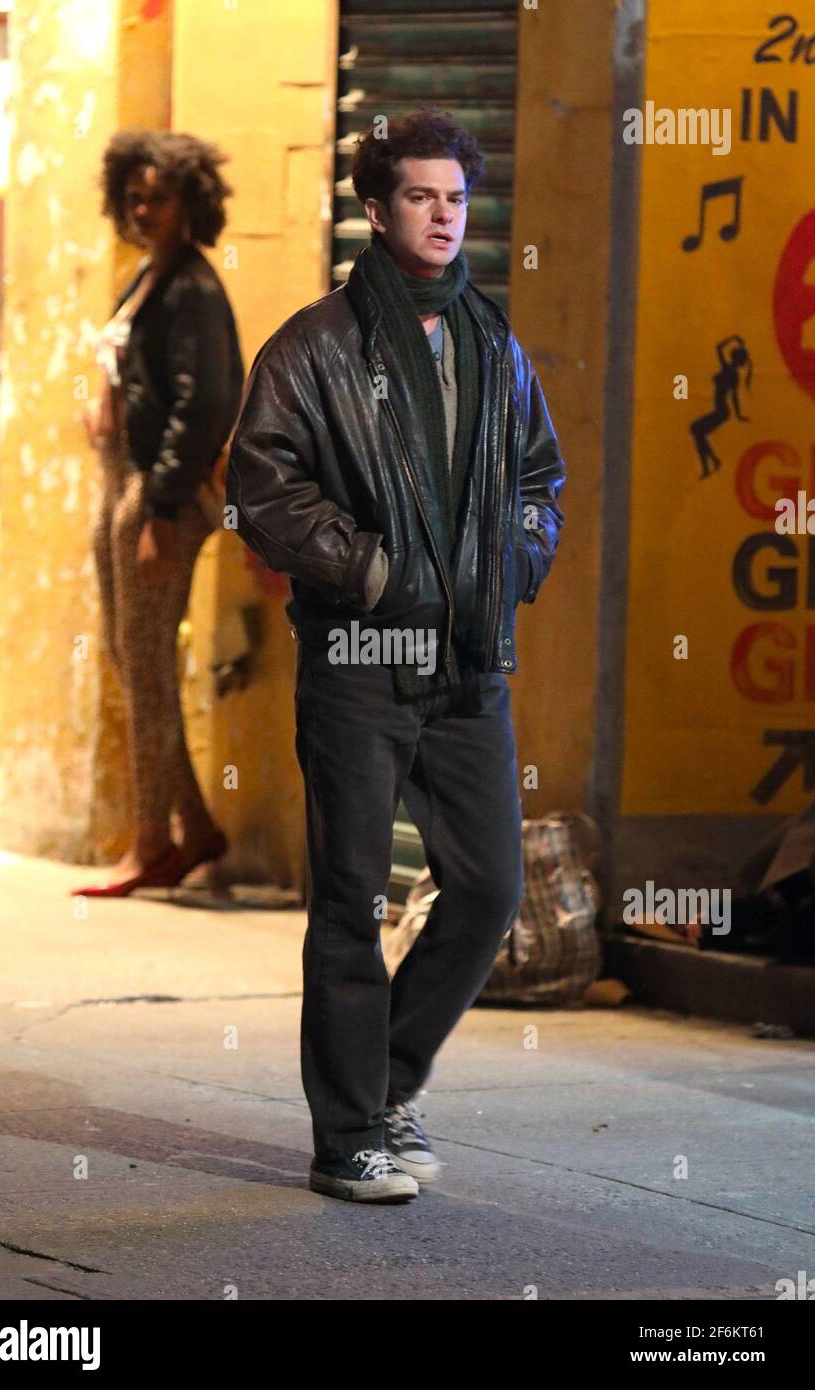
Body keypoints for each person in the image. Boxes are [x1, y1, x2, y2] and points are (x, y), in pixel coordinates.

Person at [228, 110, 566, 1202]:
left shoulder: (494, 345)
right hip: (361, 657)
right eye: (418, 197)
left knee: (486, 888)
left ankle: (387, 1083)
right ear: (375, 211)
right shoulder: (316, 345)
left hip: (469, 662)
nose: (441, 215)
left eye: (454, 198)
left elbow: (538, 482)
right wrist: (370, 572)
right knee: (350, 895)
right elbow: (259, 485)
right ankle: (346, 1140)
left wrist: (512, 558)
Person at [72, 130, 244, 898]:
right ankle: (196, 829)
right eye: (134, 197)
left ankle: (151, 844)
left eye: (159, 198)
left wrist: (162, 510)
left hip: (158, 493)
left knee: (144, 663)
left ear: (190, 203)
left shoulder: (194, 291)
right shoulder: (150, 276)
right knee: (127, 652)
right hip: (125, 481)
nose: (144, 210)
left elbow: (206, 401)